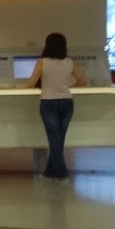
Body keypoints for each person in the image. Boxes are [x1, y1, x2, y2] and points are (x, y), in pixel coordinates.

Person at [23, 32, 85, 180]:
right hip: (67, 102)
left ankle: (62, 174)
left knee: (54, 139)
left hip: (49, 102)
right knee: (58, 139)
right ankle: (49, 173)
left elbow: (31, 84)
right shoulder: (70, 62)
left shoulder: (42, 62)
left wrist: (20, 88)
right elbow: (83, 81)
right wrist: (67, 86)